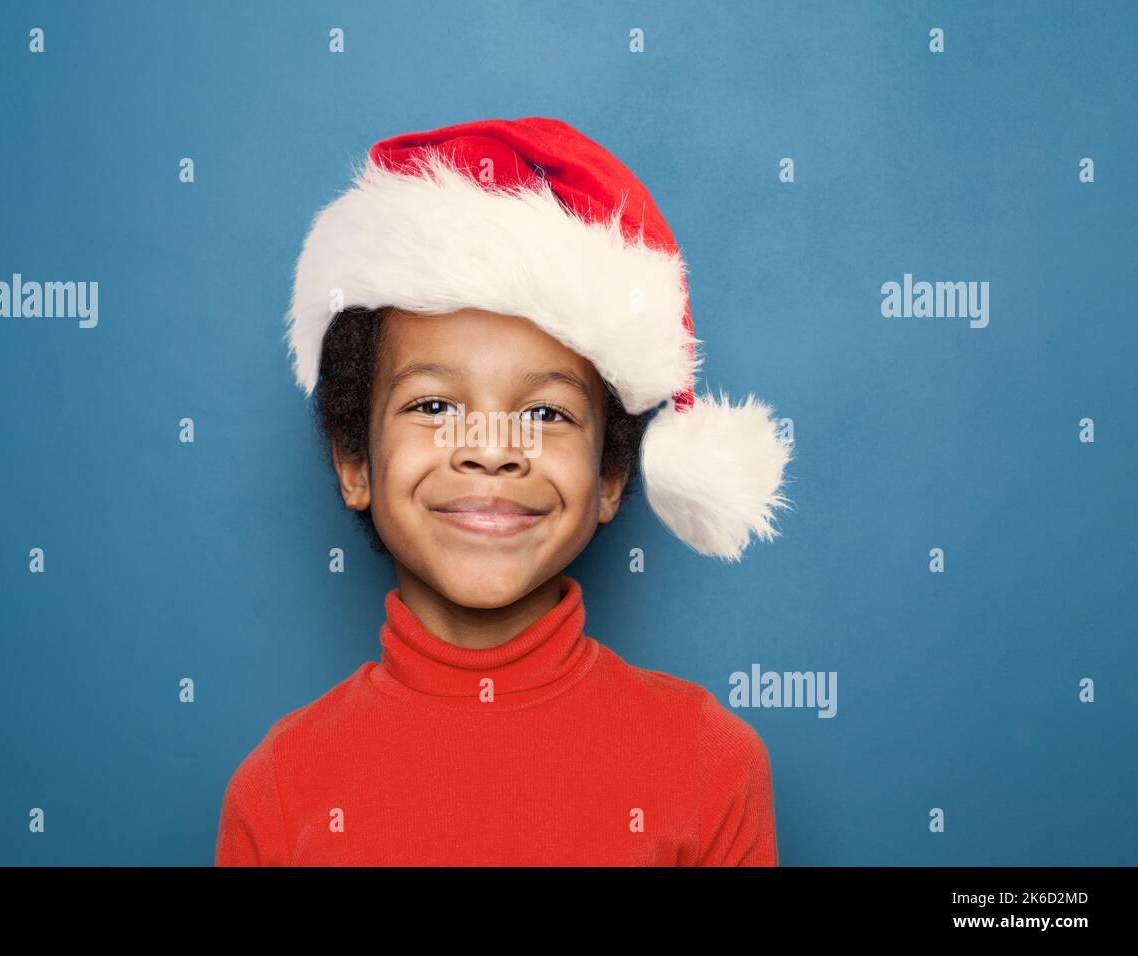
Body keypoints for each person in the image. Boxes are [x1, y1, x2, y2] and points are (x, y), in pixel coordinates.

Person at [215, 117, 794, 865]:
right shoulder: (278, 788)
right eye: (433, 406)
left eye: (545, 414)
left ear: (612, 476)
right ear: (355, 461)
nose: (491, 450)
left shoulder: (712, 763)